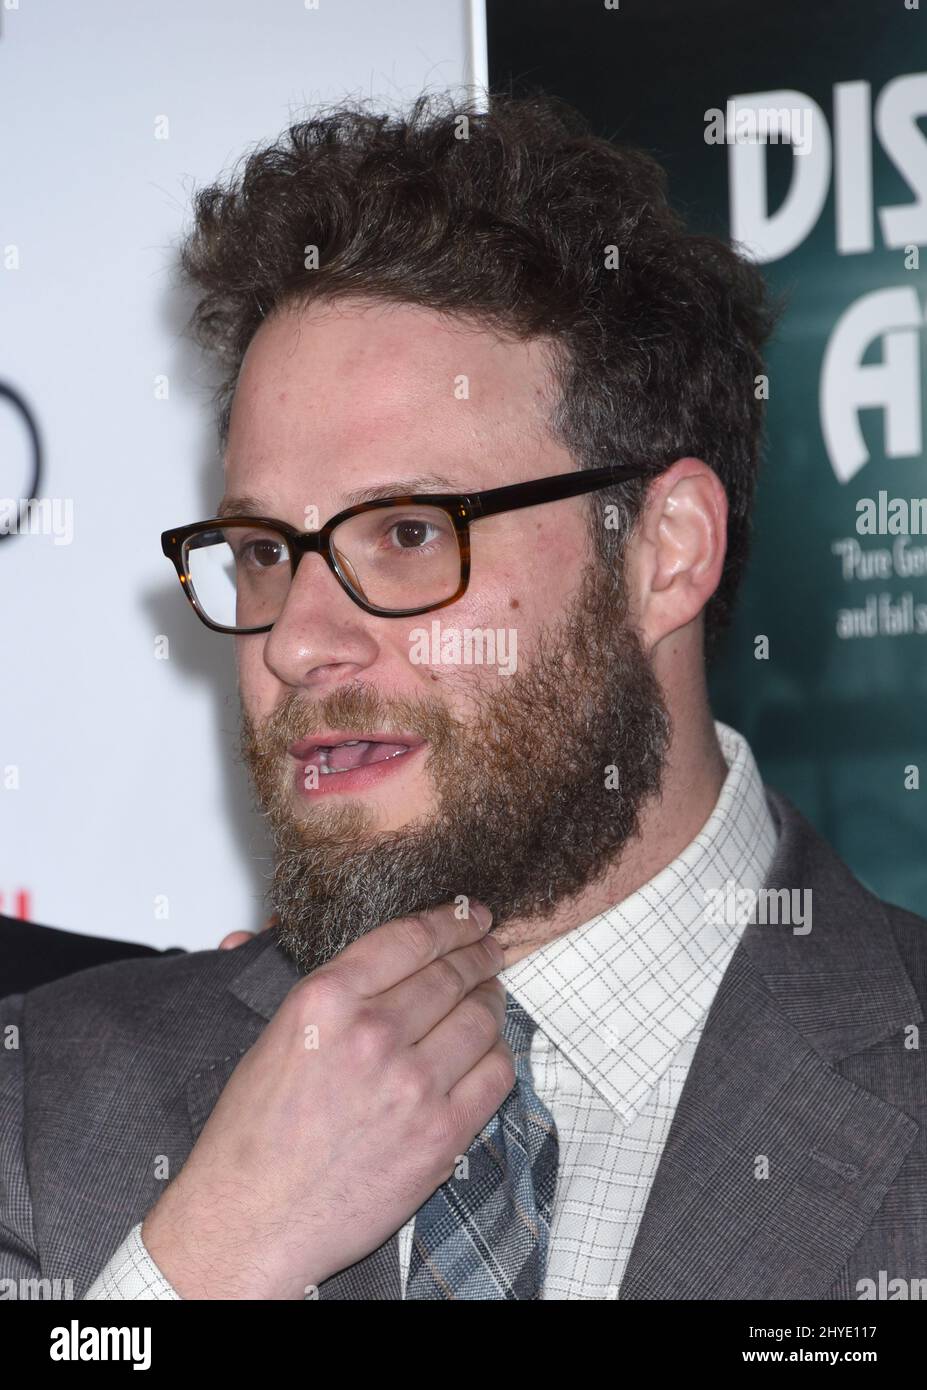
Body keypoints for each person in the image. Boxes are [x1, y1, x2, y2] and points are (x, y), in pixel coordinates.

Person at [1, 91, 924, 1302]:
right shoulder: (48, 1105)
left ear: (665, 551)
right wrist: (204, 1268)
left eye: (406, 531)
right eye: (269, 550)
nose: (296, 643)